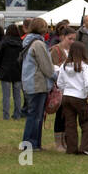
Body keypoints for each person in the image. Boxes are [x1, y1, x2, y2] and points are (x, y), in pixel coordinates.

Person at [20, 17, 55, 151]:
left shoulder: (29, 41)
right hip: (37, 83)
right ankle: (29, 143)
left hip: (30, 82)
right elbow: (46, 66)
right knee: (35, 116)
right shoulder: (38, 44)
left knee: (36, 115)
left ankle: (35, 143)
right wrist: (55, 76)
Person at [55, 39, 88, 155]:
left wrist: (65, 91)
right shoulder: (84, 67)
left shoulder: (64, 66)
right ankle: (86, 148)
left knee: (70, 123)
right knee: (86, 122)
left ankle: (71, 148)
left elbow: (60, 83)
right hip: (79, 96)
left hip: (67, 97)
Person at [49, 27, 77, 151]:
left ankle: (65, 141)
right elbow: (53, 68)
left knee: (68, 114)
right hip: (60, 87)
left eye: (74, 39)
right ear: (63, 37)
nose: (72, 41)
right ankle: (58, 143)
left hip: (72, 87)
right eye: (69, 39)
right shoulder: (55, 50)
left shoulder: (73, 50)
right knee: (60, 115)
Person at [0, 24, 25, 119]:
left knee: (6, 96)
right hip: (18, 71)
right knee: (17, 95)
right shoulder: (21, 43)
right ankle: (17, 114)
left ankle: (6, 115)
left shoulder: (3, 43)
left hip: (5, 70)